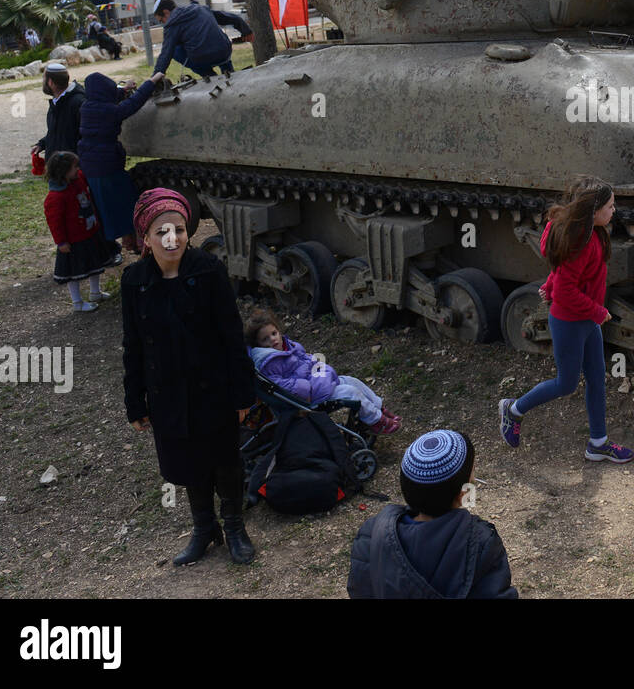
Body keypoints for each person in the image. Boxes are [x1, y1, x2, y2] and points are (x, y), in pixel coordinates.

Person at [122, 188, 257, 566]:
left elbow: (232, 335)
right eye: (161, 231)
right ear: (146, 239)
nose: (172, 238)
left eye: (179, 229)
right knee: (188, 460)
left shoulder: (208, 270)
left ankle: (234, 527)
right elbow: (133, 344)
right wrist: (135, 400)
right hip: (167, 392)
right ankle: (204, 527)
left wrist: (243, 394)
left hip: (212, 388)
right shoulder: (135, 281)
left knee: (225, 459)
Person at [498, 178, 633, 464]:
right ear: (594, 211)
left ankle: (598, 443)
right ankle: (514, 409)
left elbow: (562, 275)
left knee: (597, 379)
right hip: (571, 322)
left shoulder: (588, 234)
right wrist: (598, 312)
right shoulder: (581, 243)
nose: (614, 210)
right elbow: (566, 290)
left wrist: (550, 284)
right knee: (566, 384)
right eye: (610, 206)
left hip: (585, 320)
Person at [347, 430, 517, 599]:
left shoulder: (372, 534)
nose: (474, 480)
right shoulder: (480, 542)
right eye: (472, 473)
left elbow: (360, 589)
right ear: (462, 494)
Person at [245, 308, 401, 435]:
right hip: (312, 396)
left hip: (318, 382)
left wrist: (316, 367)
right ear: (258, 344)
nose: (273, 339)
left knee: (352, 380)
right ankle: (376, 421)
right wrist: (310, 382)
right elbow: (285, 386)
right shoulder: (269, 364)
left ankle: (379, 408)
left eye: (274, 333)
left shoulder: (288, 346)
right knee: (351, 392)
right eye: (266, 339)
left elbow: (307, 359)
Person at [79, 70, 164, 251]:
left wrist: (123, 90)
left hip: (90, 165)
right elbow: (133, 104)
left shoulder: (86, 107)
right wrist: (150, 82)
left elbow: (106, 97)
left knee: (107, 206)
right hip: (107, 165)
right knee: (127, 201)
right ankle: (139, 240)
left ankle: (127, 240)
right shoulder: (110, 111)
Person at [44, 151, 120, 313]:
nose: (78, 169)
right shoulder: (55, 197)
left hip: (90, 233)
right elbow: (54, 222)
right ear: (63, 172)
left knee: (95, 264)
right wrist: (61, 242)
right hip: (73, 241)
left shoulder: (77, 179)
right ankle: (77, 302)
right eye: (74, 167)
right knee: (73, 272)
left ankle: (95, 292)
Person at [152, 0, 234, 78]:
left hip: (204, 58)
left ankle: (208, 74)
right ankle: (228, 70)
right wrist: (245, 29)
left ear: (166, 12)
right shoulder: (198, 8)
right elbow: (226, 16)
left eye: (161, 20)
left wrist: (155, 77)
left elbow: (166, 53)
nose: (163, 23)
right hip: (225, 52)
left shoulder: (171, 24)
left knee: (175, 50)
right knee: (217, 37)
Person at [32, 62, 85, 163]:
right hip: (58, 168)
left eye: (44, 79)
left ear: (51, 82)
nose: (43, 82)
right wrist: (42, 144)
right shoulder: (57, 101)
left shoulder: (77, 102)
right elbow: (58, 131)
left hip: (70, 169)